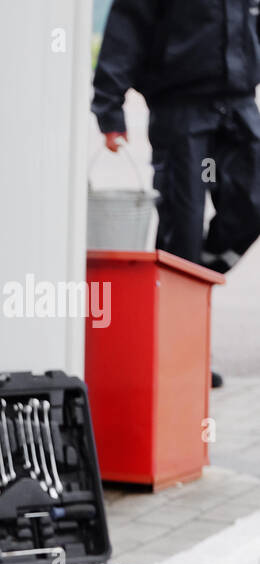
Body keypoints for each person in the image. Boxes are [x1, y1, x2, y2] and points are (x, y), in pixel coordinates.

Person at [94, 0, 260, 388]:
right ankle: (179, 356)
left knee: (252, 204)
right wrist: (109, 107)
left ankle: (196, 274)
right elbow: (127, 26)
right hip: (180, 110)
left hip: (238, 105)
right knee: (181, 232)